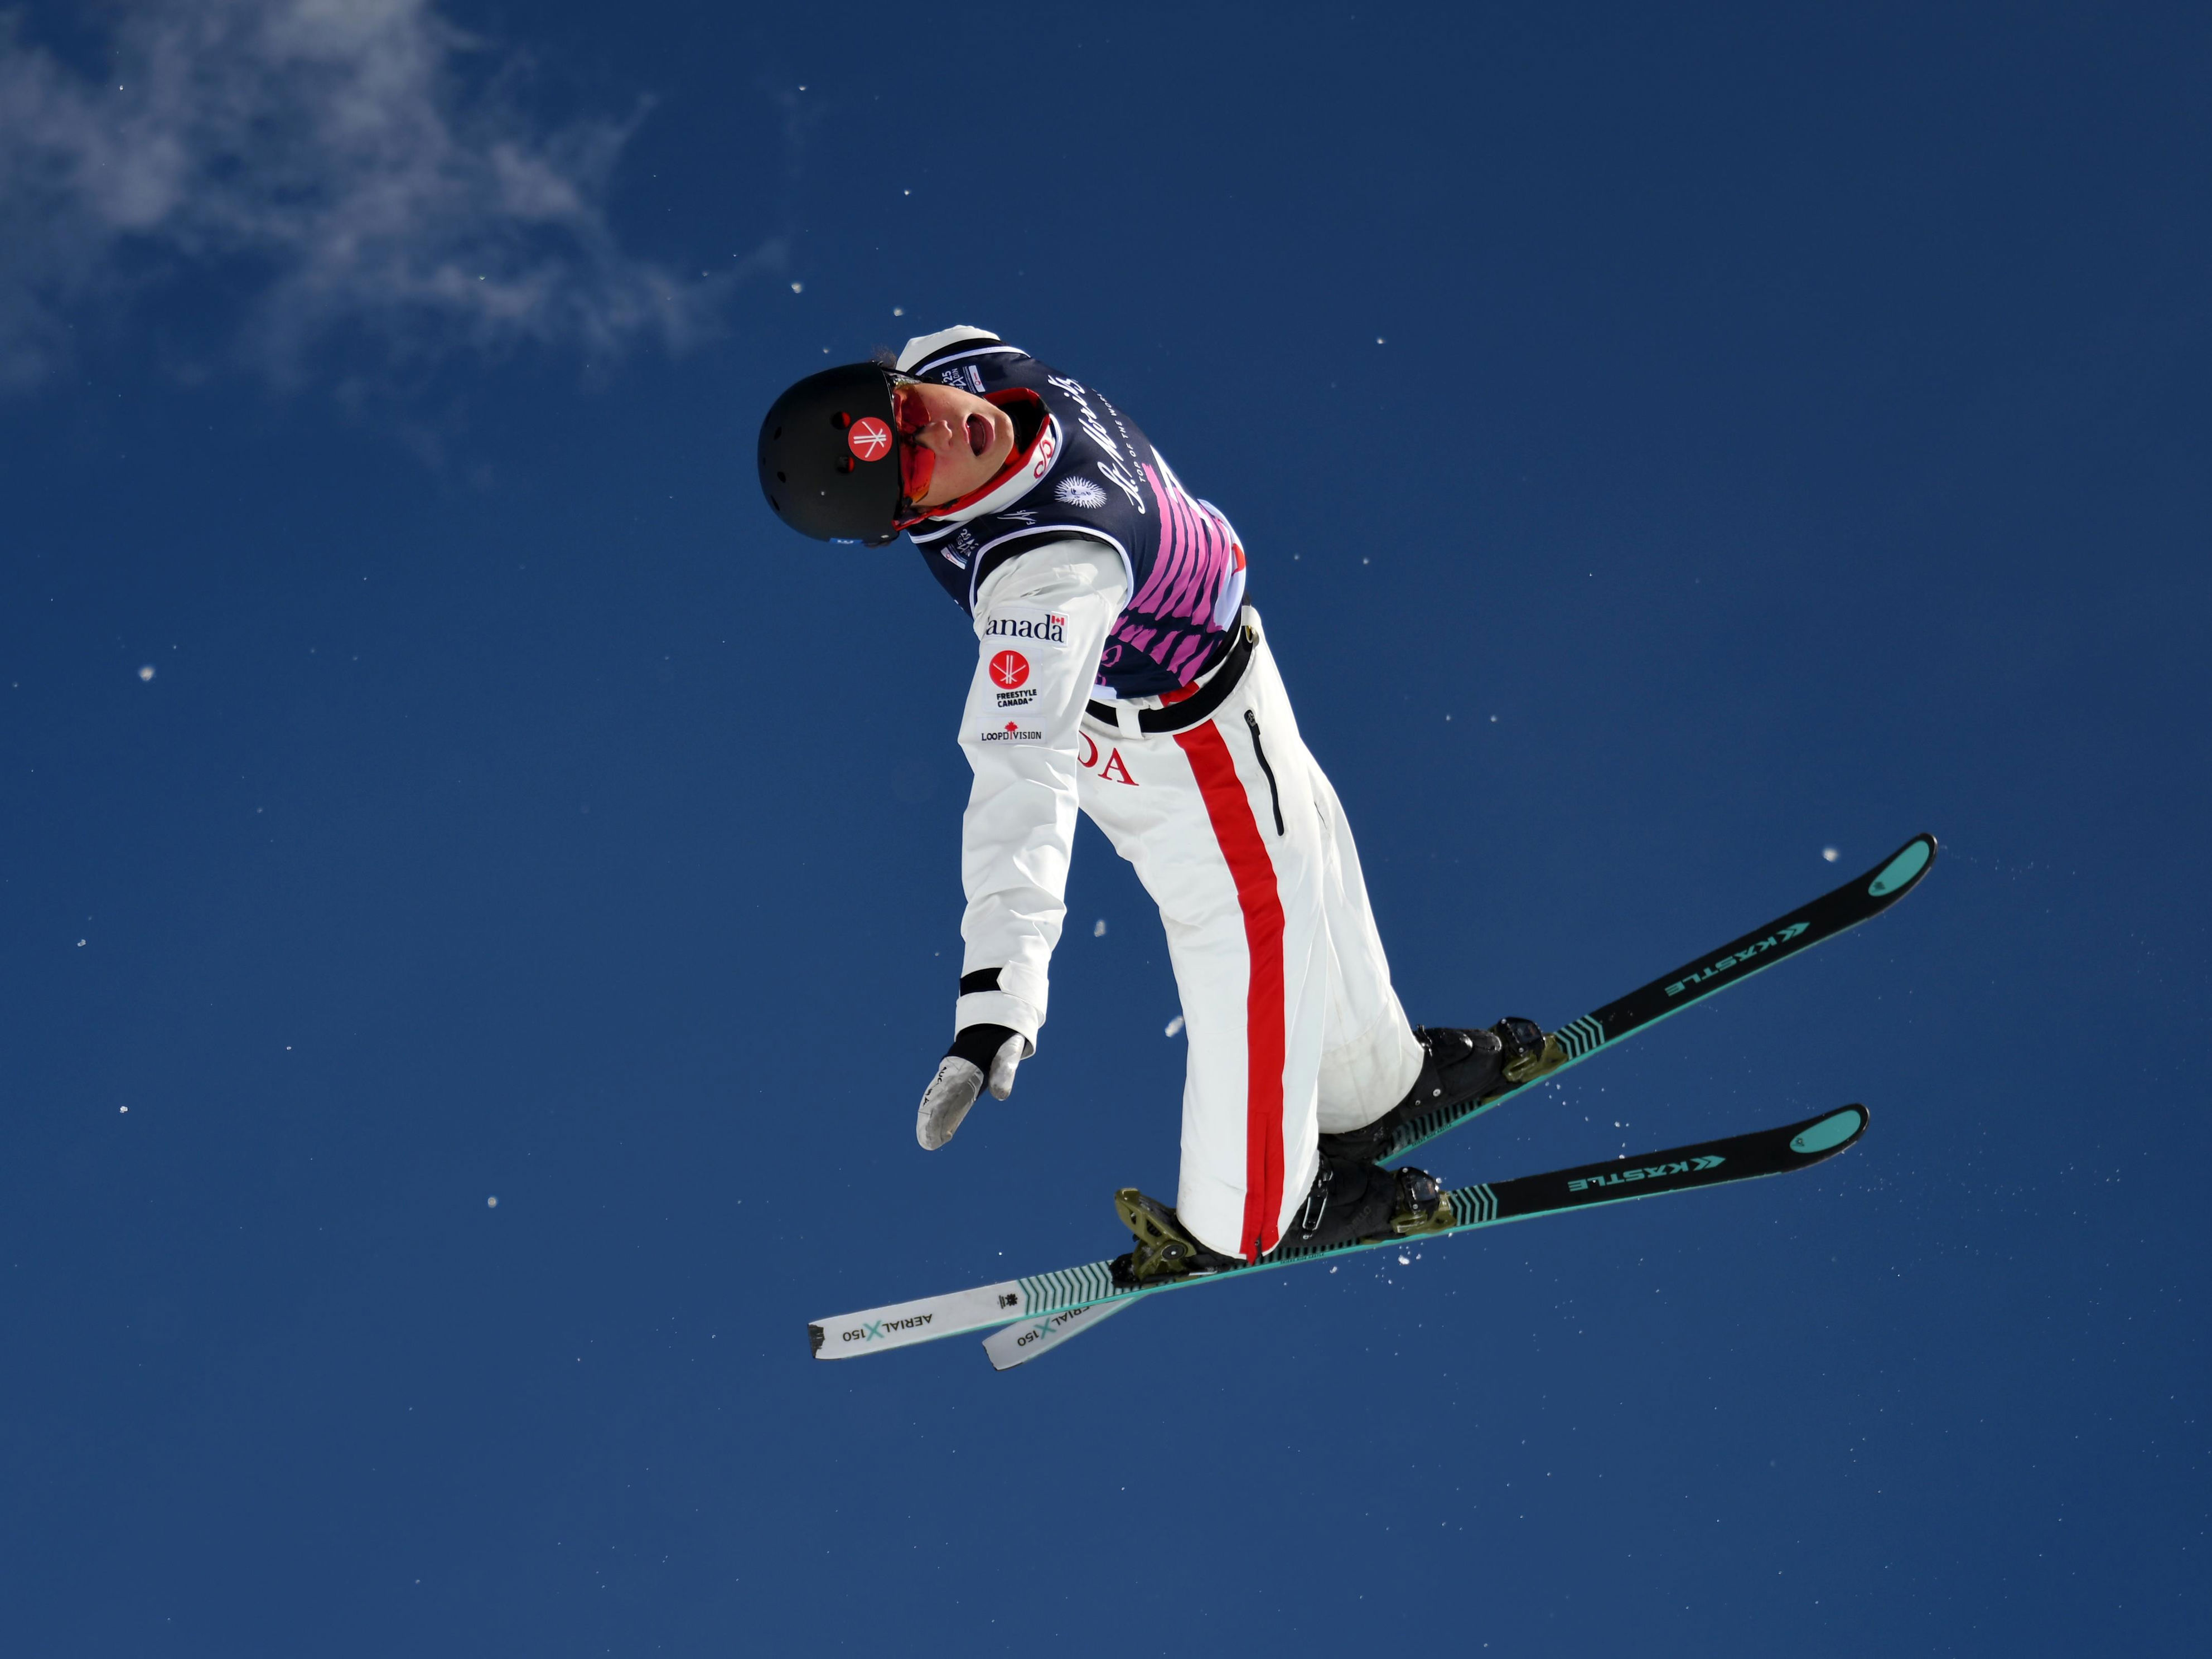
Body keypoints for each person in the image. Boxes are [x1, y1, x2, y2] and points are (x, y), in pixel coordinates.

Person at [756, 326, 1561, 1281]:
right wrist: (995, 1002)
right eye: (915, 464)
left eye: (905, 409)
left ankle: (1367, 1086)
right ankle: (1248, 1214)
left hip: (1230, 675)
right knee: (1254, 936)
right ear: (907, 517)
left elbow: (922, 380)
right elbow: (1018, 772)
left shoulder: (957, 357)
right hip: (1181, 744)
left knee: (1315, 850)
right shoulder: (1044, 574)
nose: (941, 430)